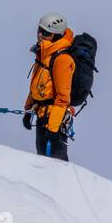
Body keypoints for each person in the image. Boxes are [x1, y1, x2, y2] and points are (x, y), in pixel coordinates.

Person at [23, 12, 75, 162]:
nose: (40, 35)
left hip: (55, 122)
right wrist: (28, 110)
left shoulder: (62, 59)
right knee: (42, 162)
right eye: (39, 30)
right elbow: (36, 85)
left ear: (56, 35)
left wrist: (53, 128)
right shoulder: (43, 55)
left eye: (45, 32)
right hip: (41, 116)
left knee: (57, 165)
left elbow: (63, 97)